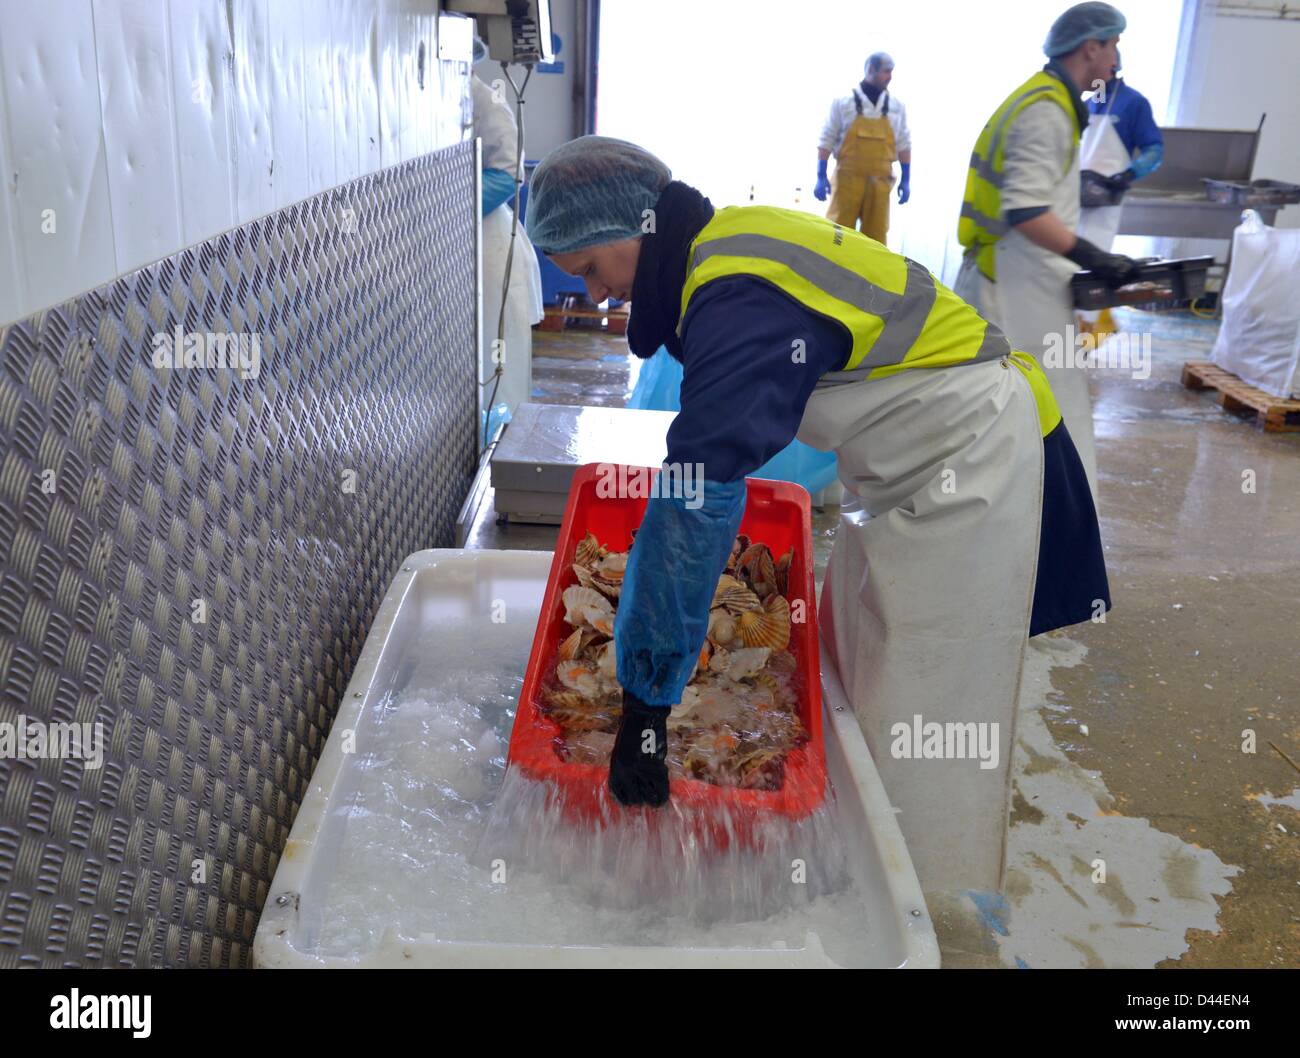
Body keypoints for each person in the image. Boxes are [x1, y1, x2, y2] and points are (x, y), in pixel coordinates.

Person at [524, 135, 1110, 891]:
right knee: (854, 661)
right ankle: (850, 876)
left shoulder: (737, 299)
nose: (599, 296)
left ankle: (922, 905)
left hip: (972, 465)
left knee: (924, 702)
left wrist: (645, 702)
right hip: (906, 476)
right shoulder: (720, 247)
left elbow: (695, 499)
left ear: (629, 227)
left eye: (593, 271)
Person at [955, 2, 1140, 506]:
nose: (1117, 56)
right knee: (1048, 411)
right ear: (1090, 48)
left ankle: (1047, 522)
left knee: (1039, 411)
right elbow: (1026, 211)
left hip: (1024, 279)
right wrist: (1095, 255)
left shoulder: (1047, 101)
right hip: (1017, 286)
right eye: (1114, 44)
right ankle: (1053, 526)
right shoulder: (1046, 112)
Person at [473, 37, 543, 417]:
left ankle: (499, 447)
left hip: (490, 245)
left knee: (499, 361)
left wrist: (454, 205)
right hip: (460, 247)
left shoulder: (488, 99)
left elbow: (508, 175)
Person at [814, 52, 911, 245]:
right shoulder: (843, 103)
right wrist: (820, 175)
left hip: (880, 184)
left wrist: (906, 180)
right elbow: (827, 139)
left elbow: (904, 144)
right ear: (870, 69)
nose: (890, 76)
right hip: (846, 182)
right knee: (836, 237)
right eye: (886, 71)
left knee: (875, 242)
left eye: (891, 72)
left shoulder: (896, 107)